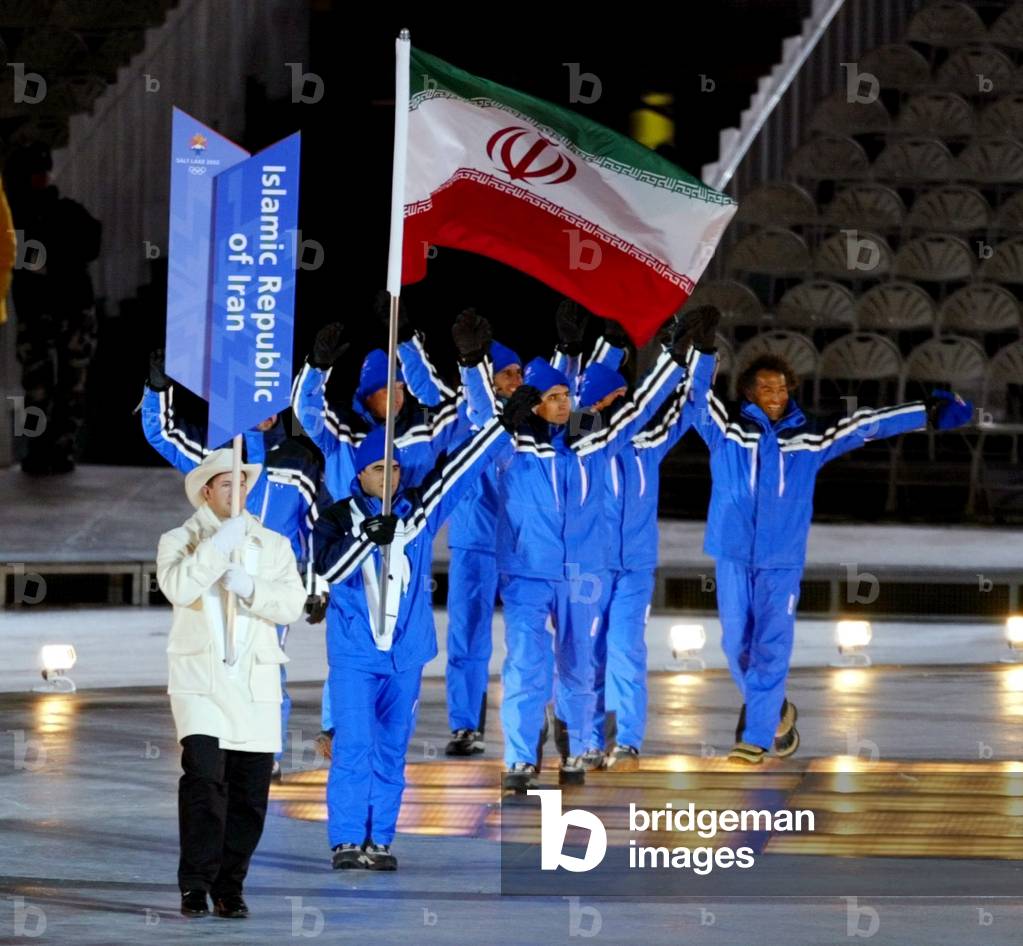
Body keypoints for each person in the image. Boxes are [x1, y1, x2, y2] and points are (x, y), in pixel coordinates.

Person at [688, 344, 974, 763]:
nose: (775, 394)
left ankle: (756, 736)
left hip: (781, 561)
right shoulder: (726, 431)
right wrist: (703, 352)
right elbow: (697, 397)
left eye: (782, 387)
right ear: (749, 392)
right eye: (766, 387)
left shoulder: (810, 439)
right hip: (731, 555)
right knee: (736, 646)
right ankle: (778, 711)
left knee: (771, 647)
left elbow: (864, 425)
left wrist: (925, 412)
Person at [314, 387, 540, 870]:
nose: (390, 477)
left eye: (394, 468)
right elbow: (331, 571)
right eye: (379, 470)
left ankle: (381, 841)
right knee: (354, 746)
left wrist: (503, 424)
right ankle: (347, 839)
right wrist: (365, 539)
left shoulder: (416, 511)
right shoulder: (335, 518)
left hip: (406, 655)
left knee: (392, 749)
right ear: (360, 475)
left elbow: (459, 470)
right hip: (355, 656)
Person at [491, 315, 699, 792]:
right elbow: (487, 417)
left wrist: (673, 354)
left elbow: (642, 408)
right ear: (535, 405)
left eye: (568, 396)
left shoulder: (593, 444)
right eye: (555, 398)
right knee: (525, 662)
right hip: (526, 572)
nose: (565, 404)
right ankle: (521, 758)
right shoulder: (511, 446)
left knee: (578, 662)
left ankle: (577, 747)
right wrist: (468, 365)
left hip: (582, 573)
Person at [140, 350, 324, 778]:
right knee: (214, 662)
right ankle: (214, 744)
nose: (265, 414)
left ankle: (263, 757)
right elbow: (163, 433)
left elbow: (316, 524)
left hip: (266, 584)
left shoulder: (299, 460)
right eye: (255, 403)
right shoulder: (216, 454)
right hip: (212, 577)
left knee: (263, 664)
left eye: (271, 403)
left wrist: (316, 583)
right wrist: (158, 388)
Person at [157, 449, 306, 918]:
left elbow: (290, 605)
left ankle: (229, 885)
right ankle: (195, 885)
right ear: (206, 491)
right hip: (200, 681)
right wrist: (219, 546)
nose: (237, 493)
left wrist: (251, 587)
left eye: (242, 485)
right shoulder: (178, 540)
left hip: (254, 682)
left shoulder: (273, 544)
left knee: (249, 797)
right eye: (226, 485)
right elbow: (179, 588)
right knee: (204, 781)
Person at [572, 307, 719, 771]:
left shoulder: (647, 442)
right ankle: (588, 740)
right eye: (612, 395)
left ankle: (626, 741)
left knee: (626, 649)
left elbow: (689, 404)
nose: (622, 400)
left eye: (623, 394)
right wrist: (665, 353)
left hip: (635, 565)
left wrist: (704, 354)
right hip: (588, 566)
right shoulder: (577, 443)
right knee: (586, 654)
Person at [444, 309, 523, 756]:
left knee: (527, 639)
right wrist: (472, 361)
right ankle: (465, 725)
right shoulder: (472, 412)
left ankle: (531, 722)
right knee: (468, 634)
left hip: (523, 545)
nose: (515, 378)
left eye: (518, 372)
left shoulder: (530, 415)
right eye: (507, 372)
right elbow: (480, 407)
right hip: (475, 540)